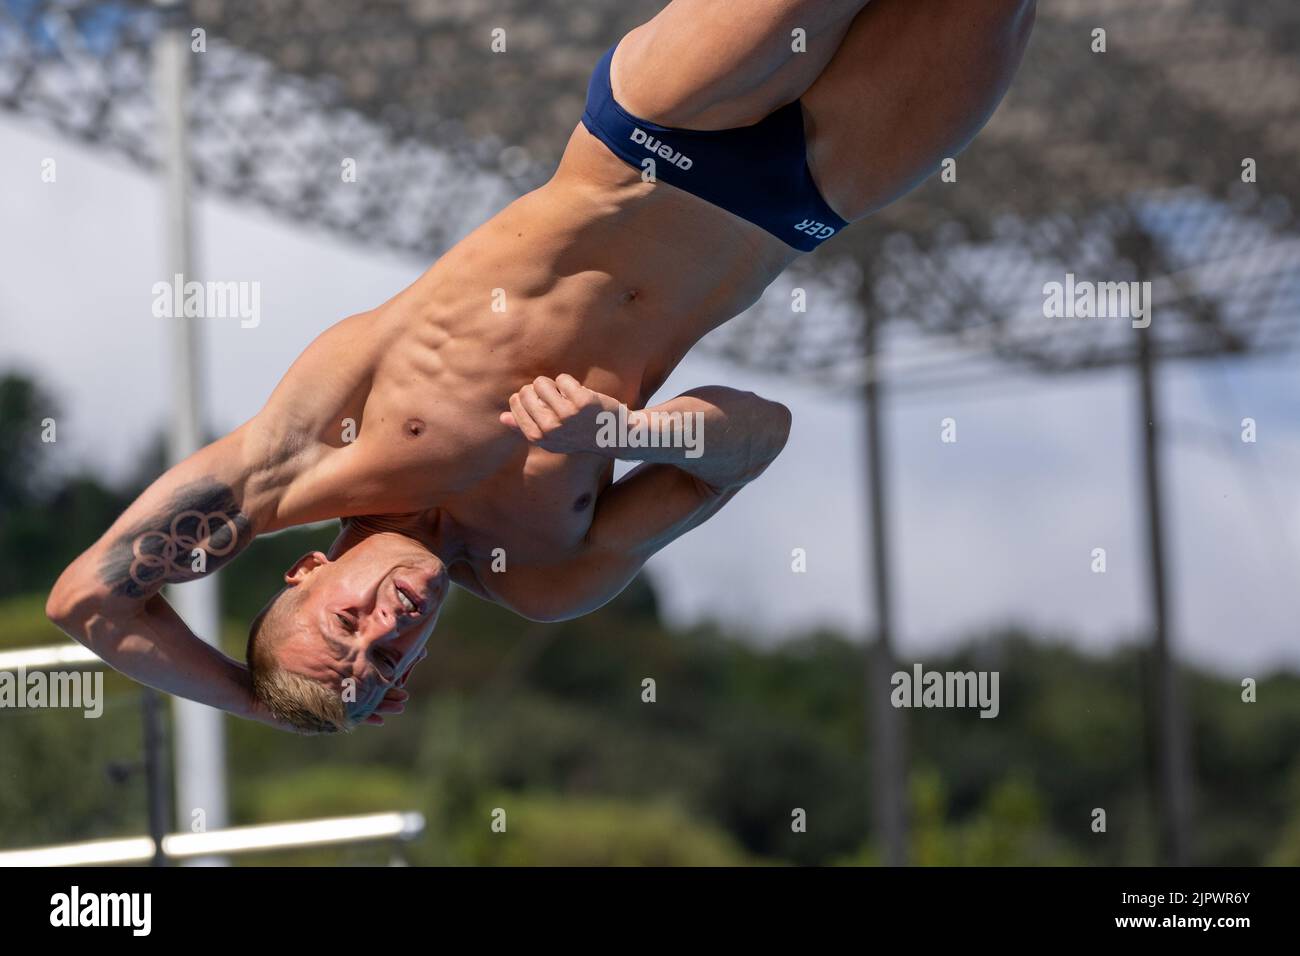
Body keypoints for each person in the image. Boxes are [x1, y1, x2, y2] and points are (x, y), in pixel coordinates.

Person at [46, 0, 1036, 732]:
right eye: (387, 656)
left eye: (347, 619)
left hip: (654, 138)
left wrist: (274, 707)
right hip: (802, 198)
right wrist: (627, 432)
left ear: (308, 569)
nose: (386, 622)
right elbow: (758, 438)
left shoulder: (307, 457)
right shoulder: (550, 576)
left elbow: (88, 597)